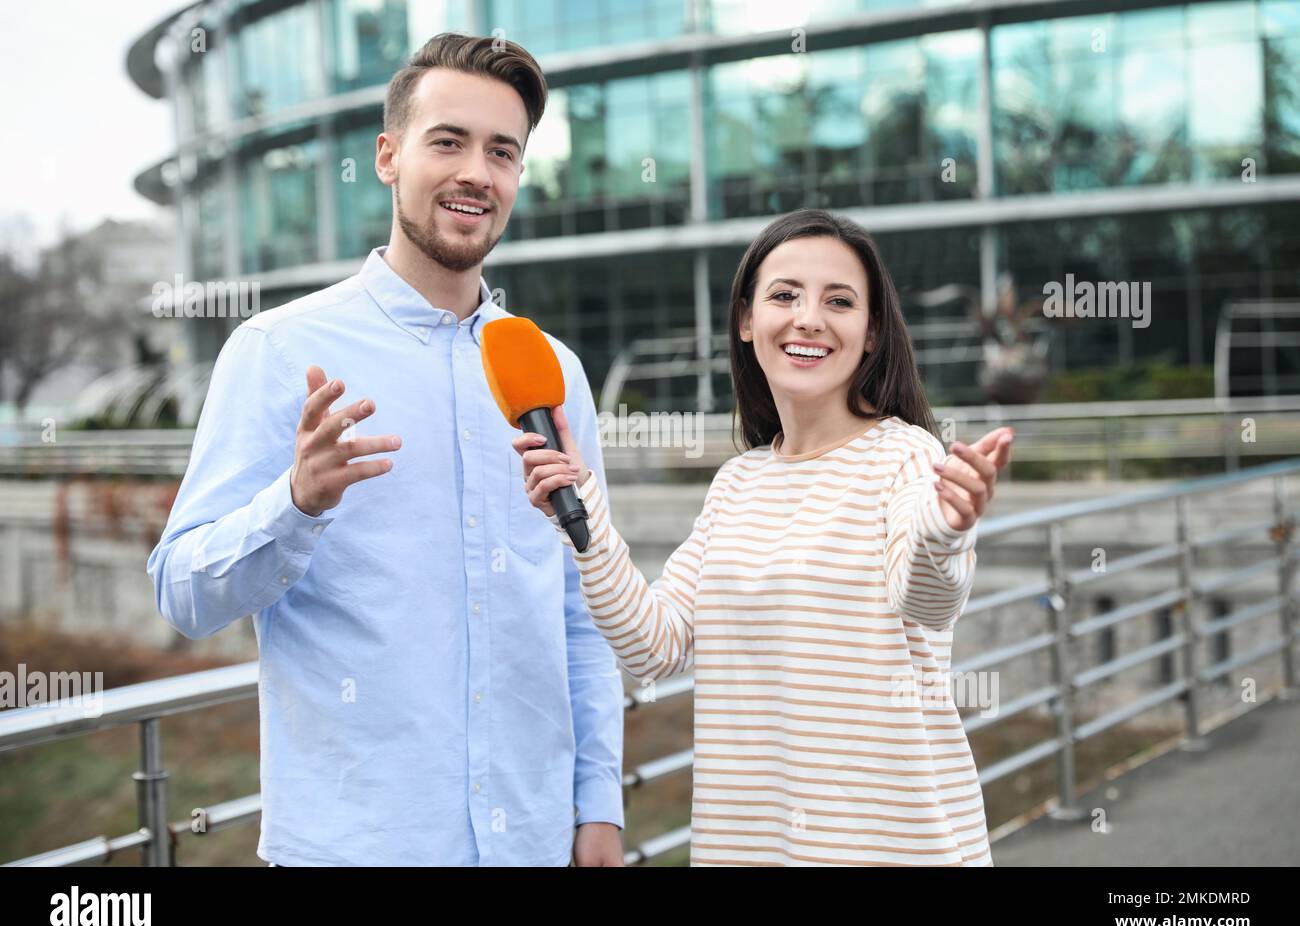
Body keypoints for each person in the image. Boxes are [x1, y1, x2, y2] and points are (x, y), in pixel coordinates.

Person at [147, 34, 625, 867]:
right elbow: (183, 595)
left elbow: (580, 611)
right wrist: (294, 504)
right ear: (387, 156)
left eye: (502, 152)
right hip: (354, 849)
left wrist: (599, 806)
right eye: (449, 141)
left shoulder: (554, 372)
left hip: (535, 842)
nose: (477, 171)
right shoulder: (276, 351)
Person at [514, 209, 1013, 866]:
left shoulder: (907, 458)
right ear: (747, 321)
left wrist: (947, 528)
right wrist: (582, 516)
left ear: (870, 334)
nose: (809, 317)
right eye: (785, 295)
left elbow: (925, 595)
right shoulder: (737, 484)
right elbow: (654, 647)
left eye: (839, 301)